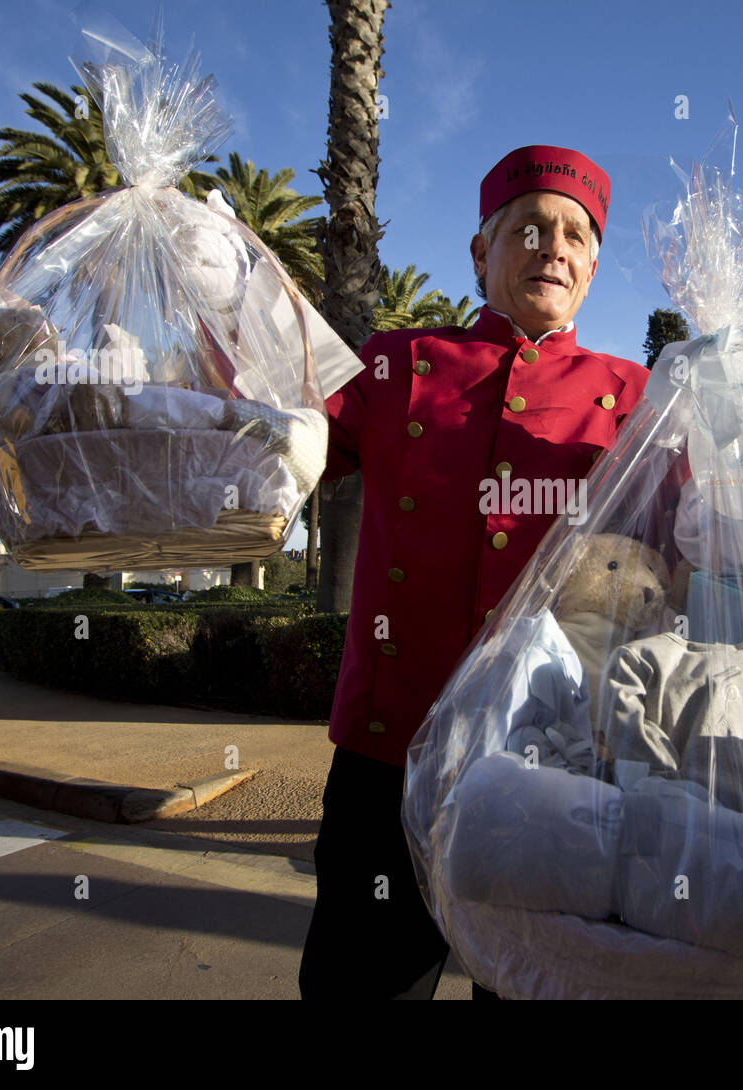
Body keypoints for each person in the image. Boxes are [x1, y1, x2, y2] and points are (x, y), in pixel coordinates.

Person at [298, 145, 651, 1000]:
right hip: (389, 763)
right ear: (479, 251)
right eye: (529, 228)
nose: (553, 248)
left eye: (575, 236)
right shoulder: (391, 365)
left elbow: (707, 535)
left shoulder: (638, 396)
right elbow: (284, 441)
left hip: (559, 770)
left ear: (594, 268)